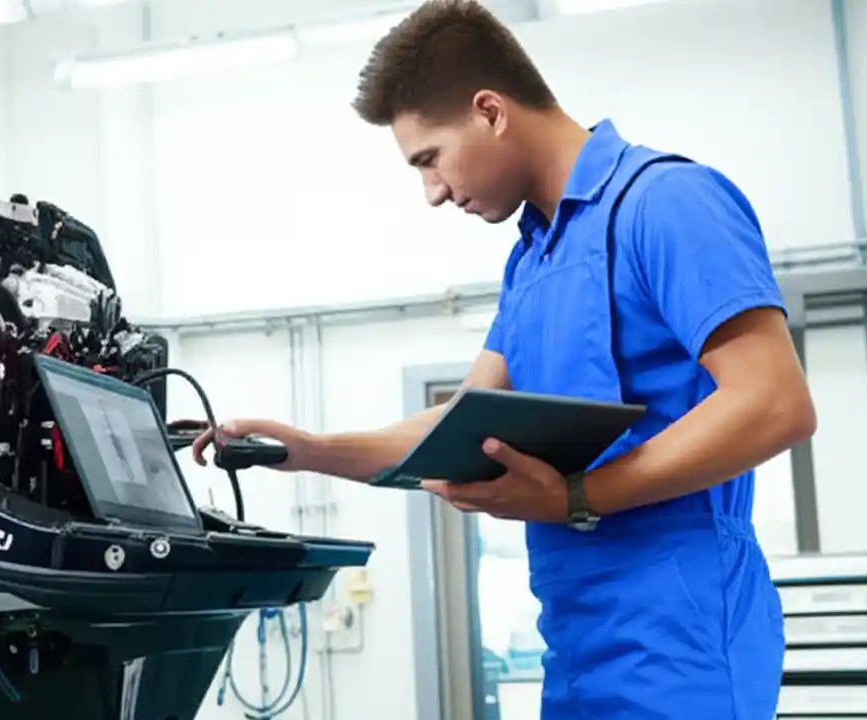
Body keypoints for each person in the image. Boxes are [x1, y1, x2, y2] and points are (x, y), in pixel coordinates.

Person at [189, 1, 817, 717]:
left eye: (429, 159)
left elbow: (775, 402)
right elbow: (461, 425)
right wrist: (308, 449)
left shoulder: (667, 202)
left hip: (683, 648)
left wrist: (578, 496)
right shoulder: (534, 261)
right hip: (579, 645)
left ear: (490, 111)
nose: (431, 192)